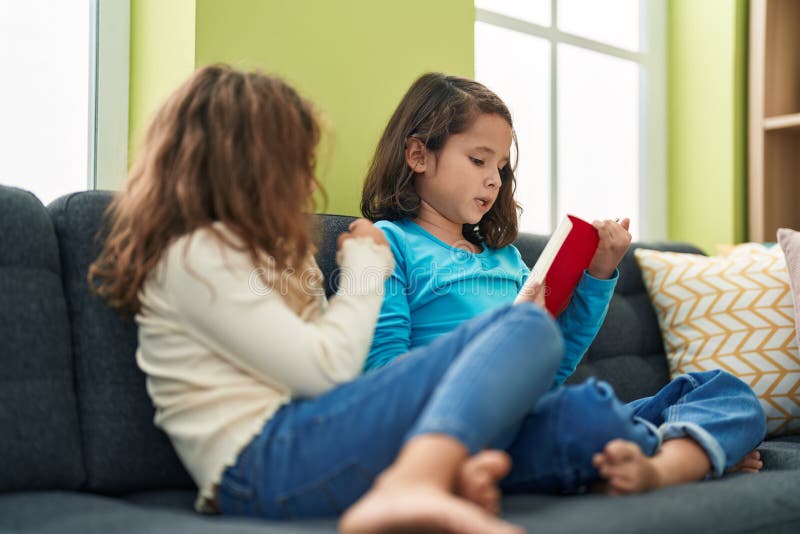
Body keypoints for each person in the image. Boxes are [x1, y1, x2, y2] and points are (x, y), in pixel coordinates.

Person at [89, 64, 663, 534]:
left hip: (313, 436)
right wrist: (366, 268)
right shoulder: (192, 257)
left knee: (573, 401)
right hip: (260, 466)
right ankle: (420, 480)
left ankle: (438, 476)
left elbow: (331, 371)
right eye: (291, 163)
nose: (305, 181)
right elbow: (328, 370)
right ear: (234, 163)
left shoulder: (263, 259)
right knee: (526, 330)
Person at [360, 72, 766, 495]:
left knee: (726, 391)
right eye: (479, 161)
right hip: (472, 430)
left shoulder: (506, 258)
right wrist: (503, 343)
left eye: (500, 167)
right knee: (589, 412)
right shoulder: (389, 245)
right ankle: (688, 454)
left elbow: (557, 366)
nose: (495, 180)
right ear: (418, 155)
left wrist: (599, 271)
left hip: (540, 414)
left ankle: (661, 463)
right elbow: (385, 377)